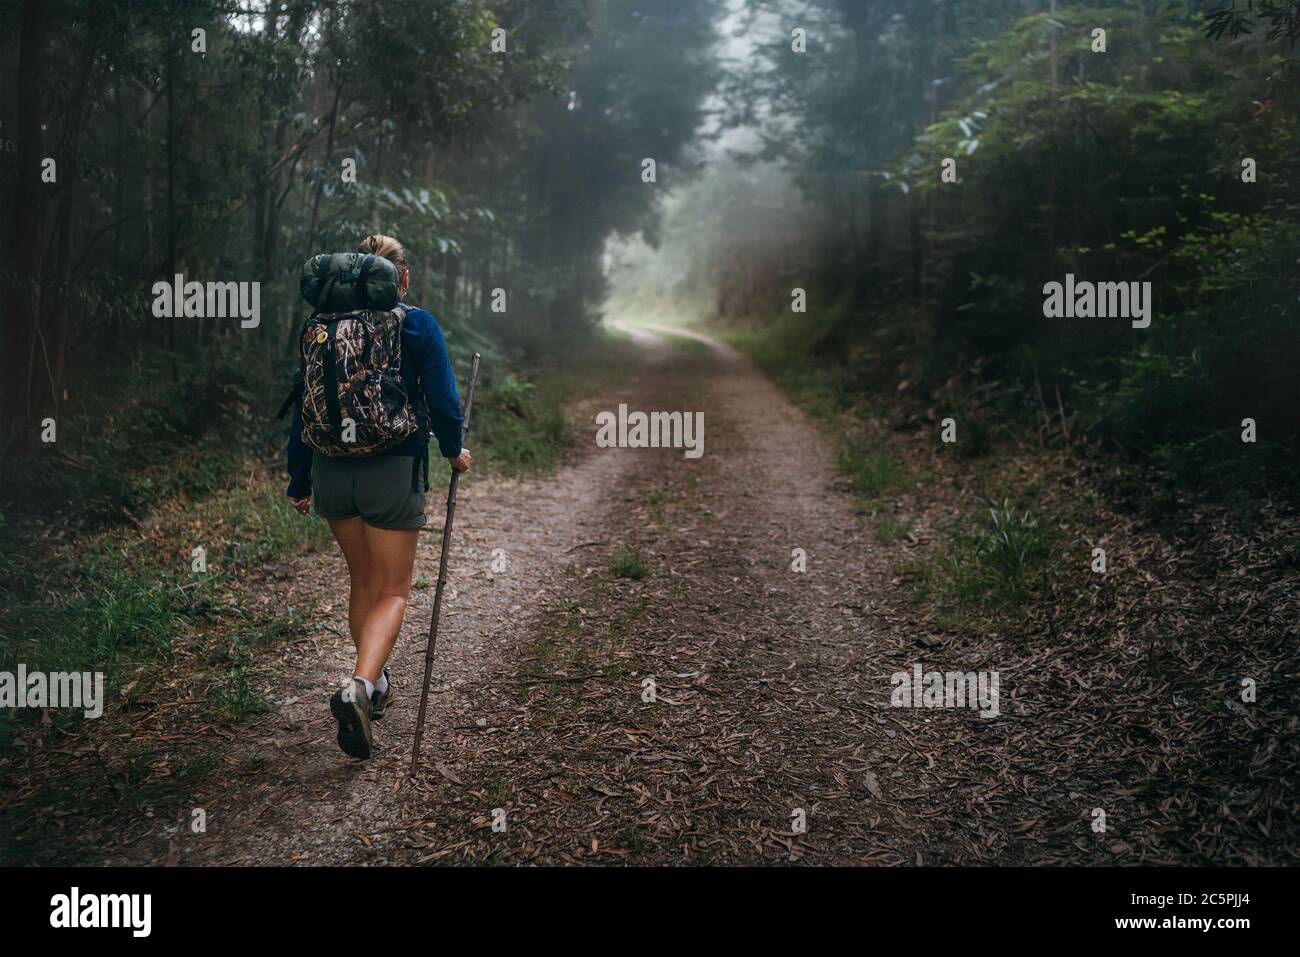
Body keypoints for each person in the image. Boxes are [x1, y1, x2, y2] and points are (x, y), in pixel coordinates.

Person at [285, 234, 472, 759]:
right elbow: (442, 398)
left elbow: (304, 407)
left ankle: (378, 683)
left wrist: (300, 481)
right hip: (391, 471)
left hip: (331, 473)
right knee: (392, 591)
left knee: (363, 582)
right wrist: (454, 450)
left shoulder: (321, 328)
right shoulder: (416, 324)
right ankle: (360, 687)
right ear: (400, 278)